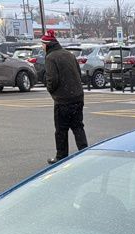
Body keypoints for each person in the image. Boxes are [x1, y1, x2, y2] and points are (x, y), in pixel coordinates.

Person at [42, 30, 87, 164]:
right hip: (77, 97)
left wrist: (51, 90)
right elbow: (79, 74)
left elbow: (52, 80)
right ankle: (84, 152)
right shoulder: (69, 55)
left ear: (47, 45)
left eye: (42, 44)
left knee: (61, 130)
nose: (41, 47)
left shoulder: (51, 58)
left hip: (63, 100)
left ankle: (61, 157)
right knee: (78, 127)